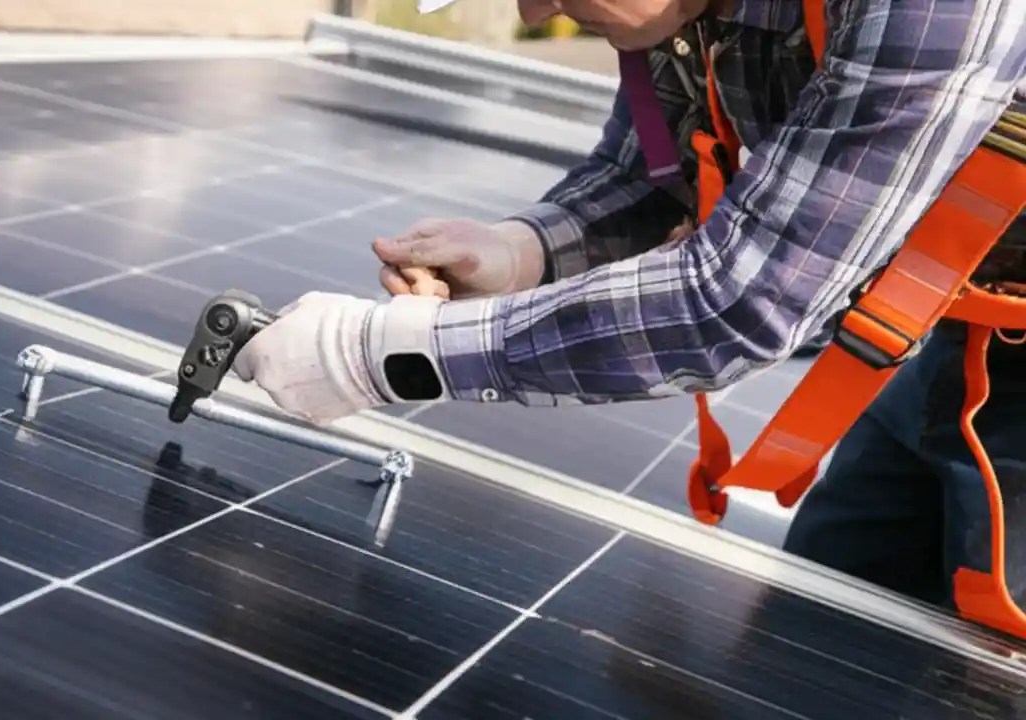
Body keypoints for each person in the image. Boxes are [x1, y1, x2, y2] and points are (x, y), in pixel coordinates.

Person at [234, 0, 1026, 615]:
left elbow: (740, 300)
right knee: (831, 590)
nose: (535, 14)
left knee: (983, 662)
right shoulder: (675, 17)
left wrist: (382, 355)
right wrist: (519, 251)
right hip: (960, 346)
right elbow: (654, 171)